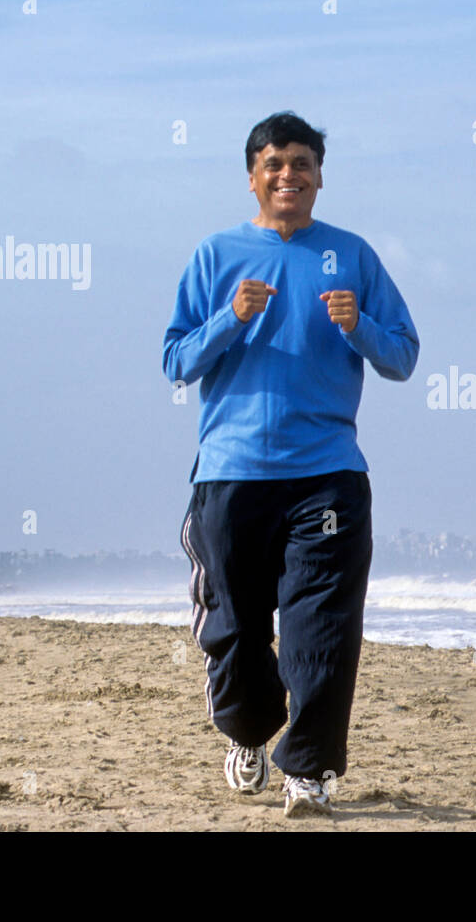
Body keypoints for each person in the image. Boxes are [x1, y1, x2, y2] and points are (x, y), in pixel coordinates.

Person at [161, 111, 419, 817]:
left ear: (319, 178)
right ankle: (248, 731)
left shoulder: (353, 256)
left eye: (302, 163)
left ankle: (309, 770)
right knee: (238, 628)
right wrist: (230, 318)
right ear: (252, 177)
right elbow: (175, 361)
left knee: (323, 626)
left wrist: (357, 324)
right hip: (230, 475)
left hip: (328, 473)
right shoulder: (216, 256)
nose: (289, 175)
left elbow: (402, 356)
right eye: (275, 163)